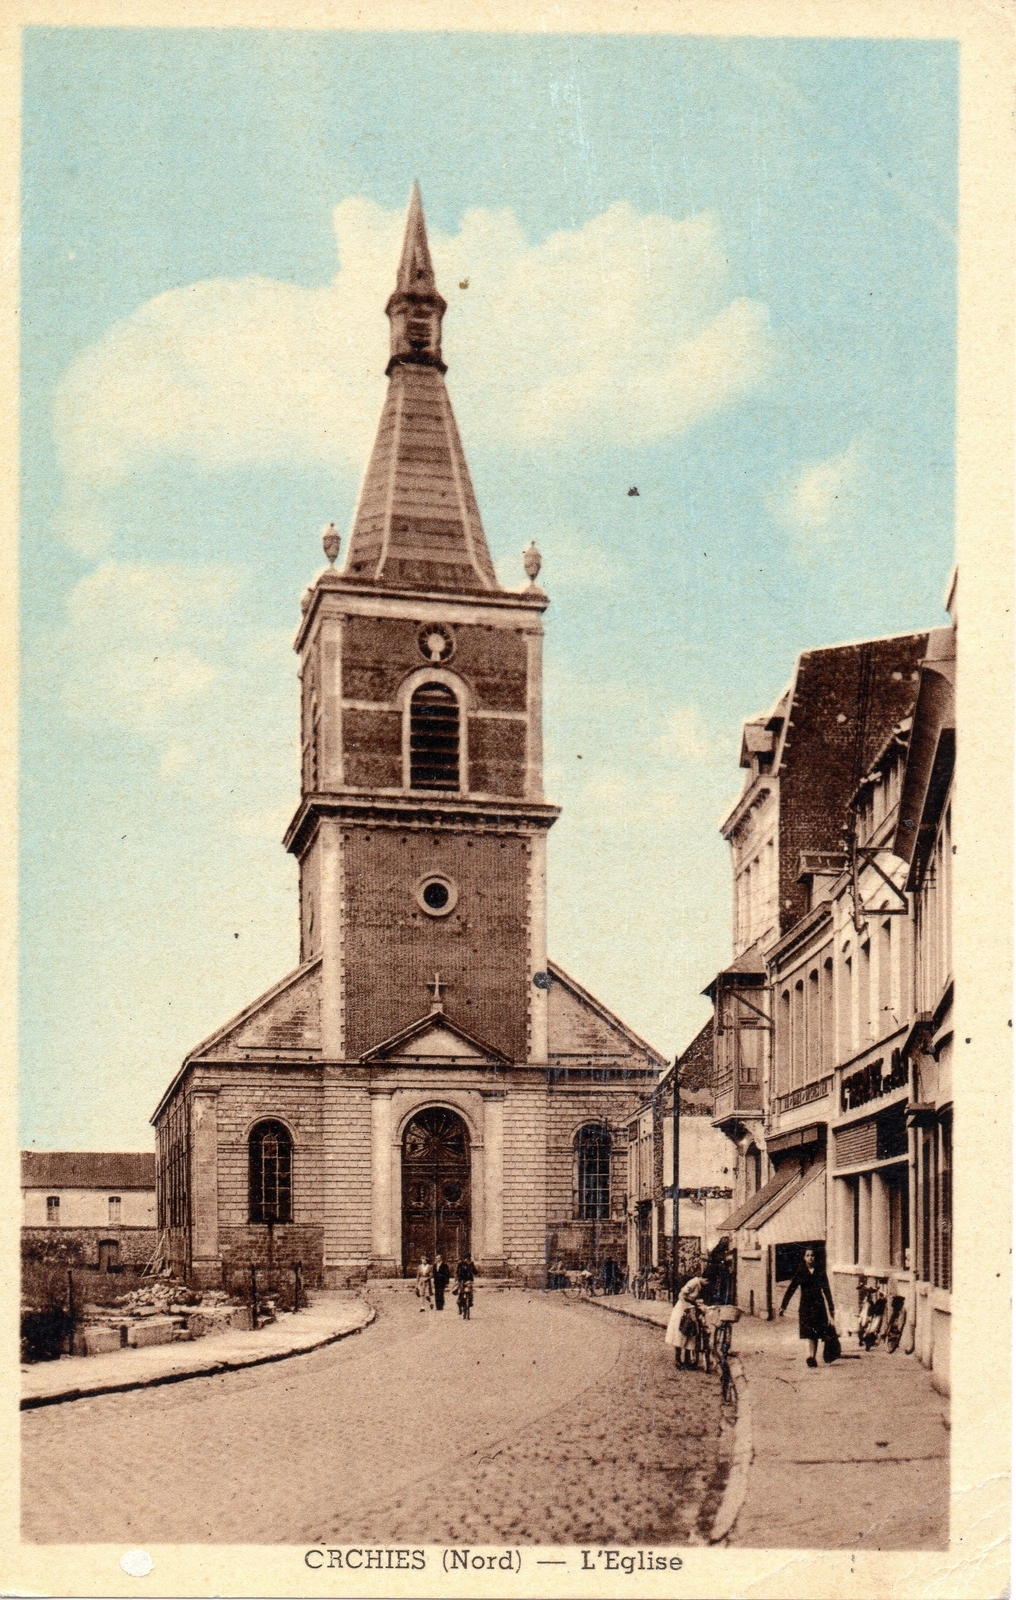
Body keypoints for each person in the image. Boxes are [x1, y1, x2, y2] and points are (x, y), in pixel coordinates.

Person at [779, 1246, 835, 1366]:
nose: (810, 1258)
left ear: (815, 1257)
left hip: (819, 1306)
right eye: (808, 1255)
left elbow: (826, 1290)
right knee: (809, 1332)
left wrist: (831, 1307)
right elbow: (791, 1288)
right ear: (804, 1258)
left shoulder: (820, 1271)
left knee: (816, 1332)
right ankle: (810, 1356)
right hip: (805, 1306)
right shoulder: (800, 1271)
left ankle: (812, 1357)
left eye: (812, 1255)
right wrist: (784, 1305)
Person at [665, 1271, 707, 1369]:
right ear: (703, 1278)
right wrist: (686, 1307)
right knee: (681, 1333)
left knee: (691, 1333)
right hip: (683, 1310)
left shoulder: (699, 1284)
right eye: (706, 1281)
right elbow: (681, 1295)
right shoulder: (693, 1283)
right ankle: (678, 1360)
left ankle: (688, 1361)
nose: (706, 1284)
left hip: (691, 1309)